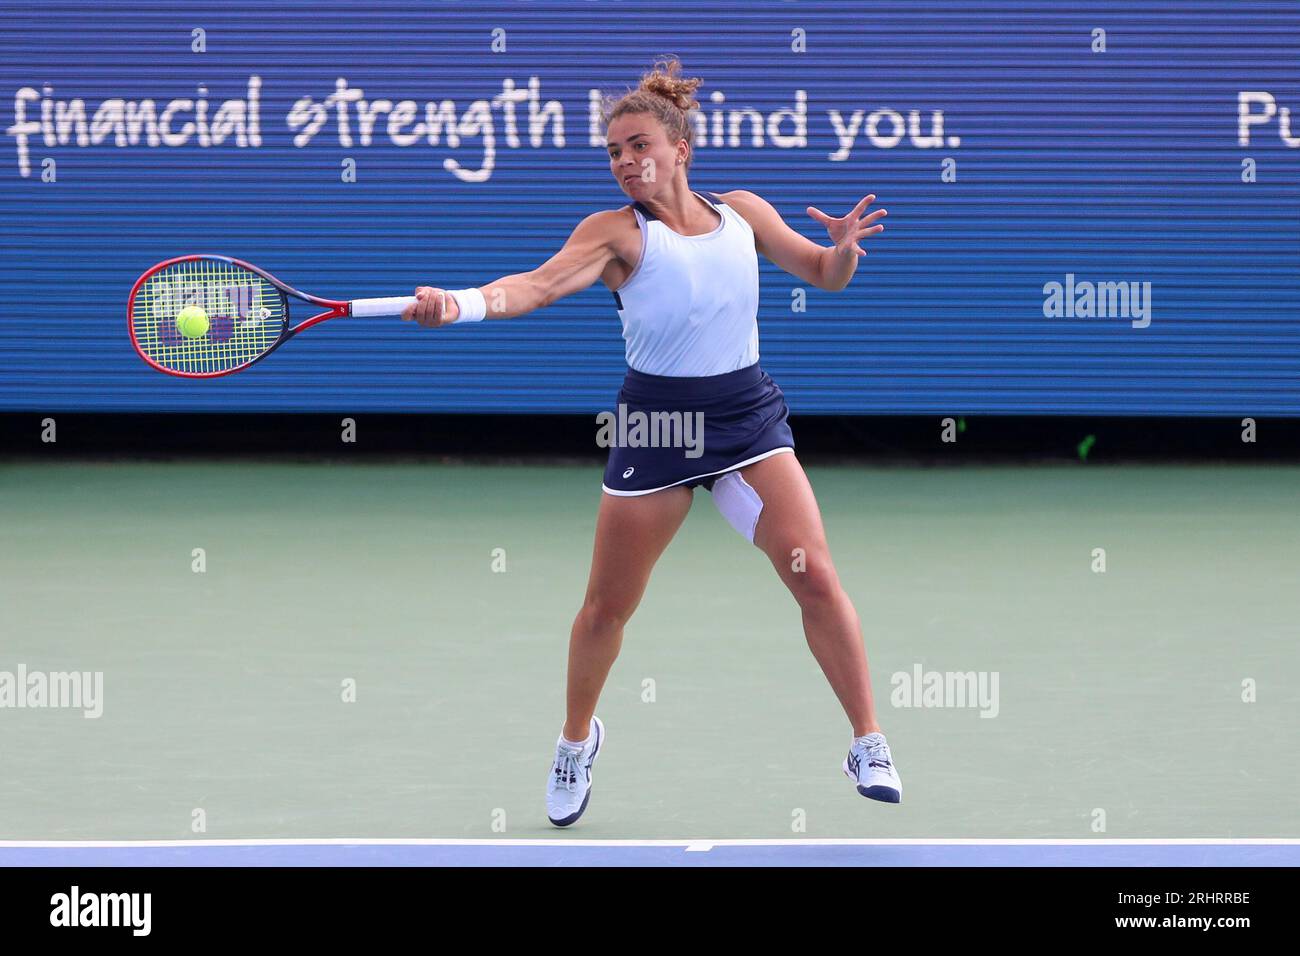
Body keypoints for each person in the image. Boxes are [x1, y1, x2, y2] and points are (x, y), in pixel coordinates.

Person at [401, 57, 900, 827]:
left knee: (815, 575)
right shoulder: (615, 236)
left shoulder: (743, 214)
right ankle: (576, 741)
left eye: (639, 146)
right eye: (613, 152)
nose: (626, 162)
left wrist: (841, 250)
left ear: (680, 149)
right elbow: (534, 287)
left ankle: (867, 739)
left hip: (748, 423)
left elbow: (825, 276)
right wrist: (460, 306)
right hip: (658, 430)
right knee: (605, 610)